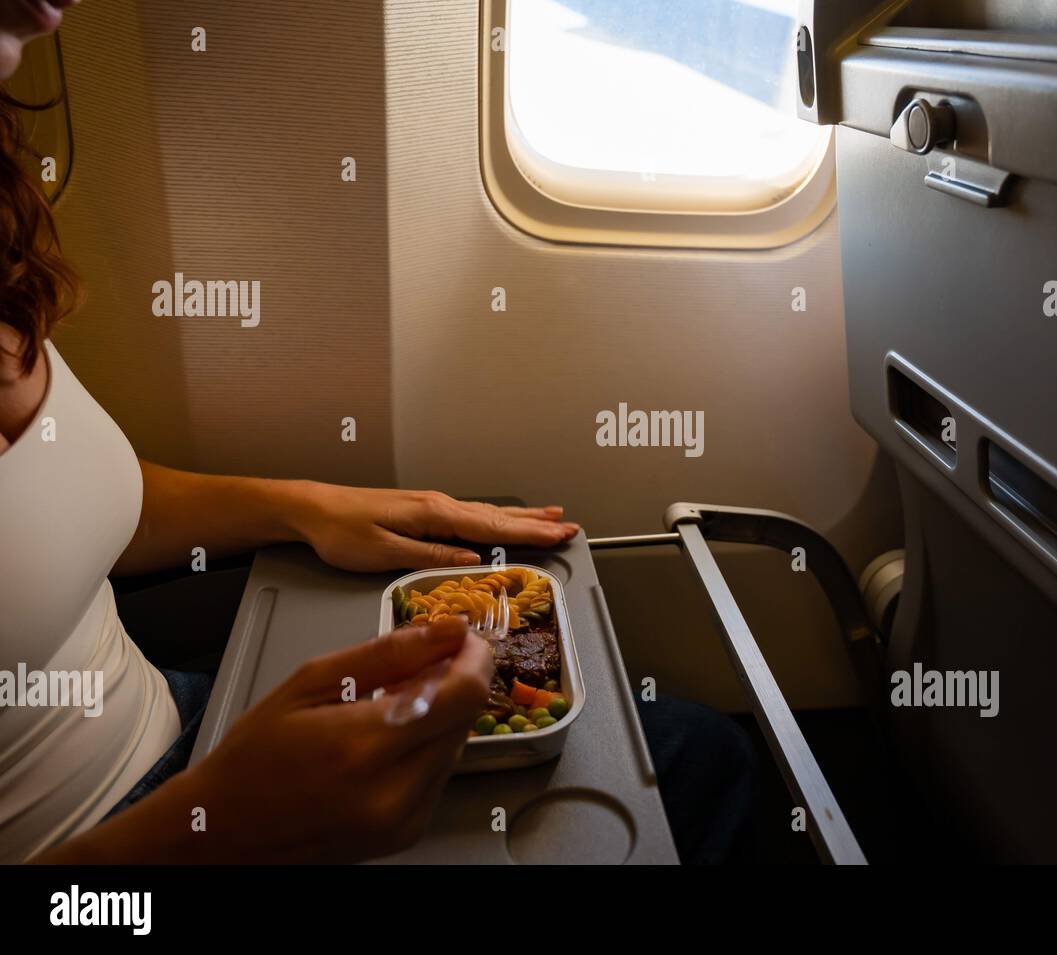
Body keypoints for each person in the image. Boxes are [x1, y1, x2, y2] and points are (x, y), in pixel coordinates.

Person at [1, 0, 755, 864]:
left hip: (182, 724)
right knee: (689, 774)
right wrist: (214, 825)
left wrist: (314, 508)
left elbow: (72, 508)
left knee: (692, 749)